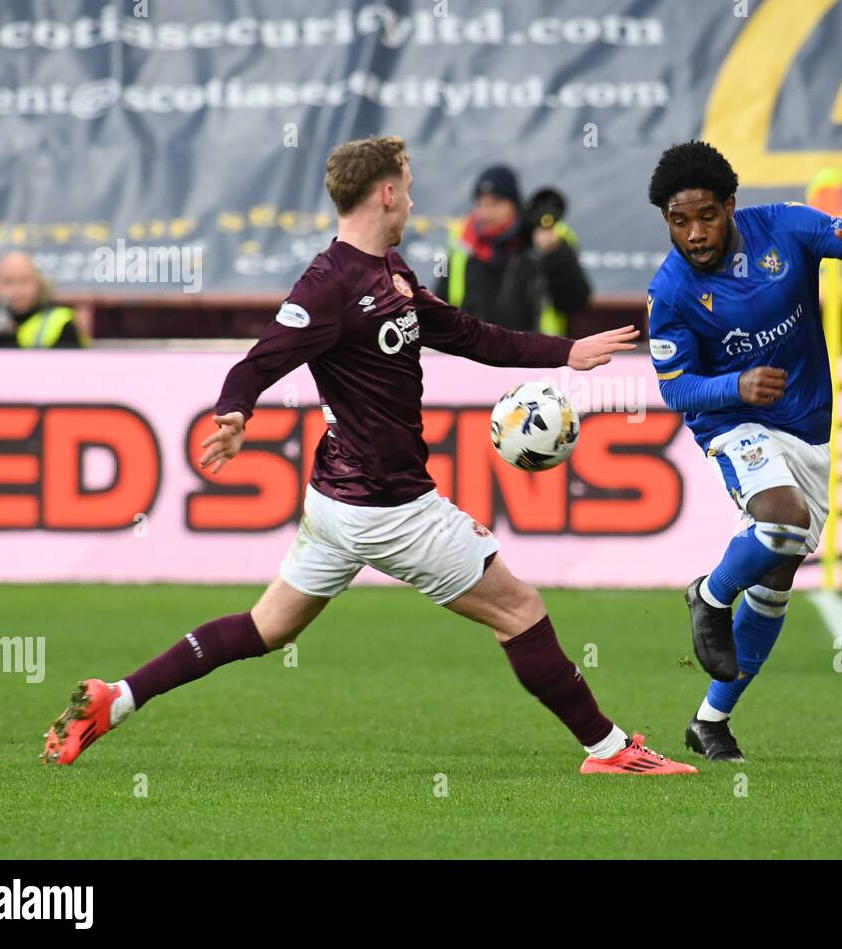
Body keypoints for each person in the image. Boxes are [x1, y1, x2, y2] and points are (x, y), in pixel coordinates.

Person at [42, 135, 695, 776]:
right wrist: (234, 411)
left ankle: (115, 700)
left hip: (337, 502)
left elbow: (467, 334)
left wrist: (565, 352)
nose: (412, 200)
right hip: (388, 507)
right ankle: (610, 751)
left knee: (268, 628)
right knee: (519, 609)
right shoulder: (327, 286)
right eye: (407, 187)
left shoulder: (393, 273)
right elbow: (261, 359)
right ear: (386, 192)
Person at [645, 140, 842, 761]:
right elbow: (676, 389)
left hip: (808, 424)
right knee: (782, 518)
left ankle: (711, 720)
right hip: (733, 422)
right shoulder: (672, 292)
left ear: (731, 206)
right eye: (679, 221)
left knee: (780, 570)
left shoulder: (786, 227)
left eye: (706, 215)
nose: (695, 233)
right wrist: (734, 385)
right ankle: (709, 595)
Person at [437, 165, 590, 333]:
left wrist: (555, 254)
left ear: (514, 205)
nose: (485, 213)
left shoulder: (546, 240)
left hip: (539, 354)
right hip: (472, 354)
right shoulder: (463, 241)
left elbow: (575, 301)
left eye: (494, 204)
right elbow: (441, 303)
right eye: (480, 204)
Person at [0, 251, 86, 348]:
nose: (16, 290)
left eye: (24, 281)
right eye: (8, 282)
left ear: (39, 284)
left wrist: (12, 340)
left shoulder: (61, 322)